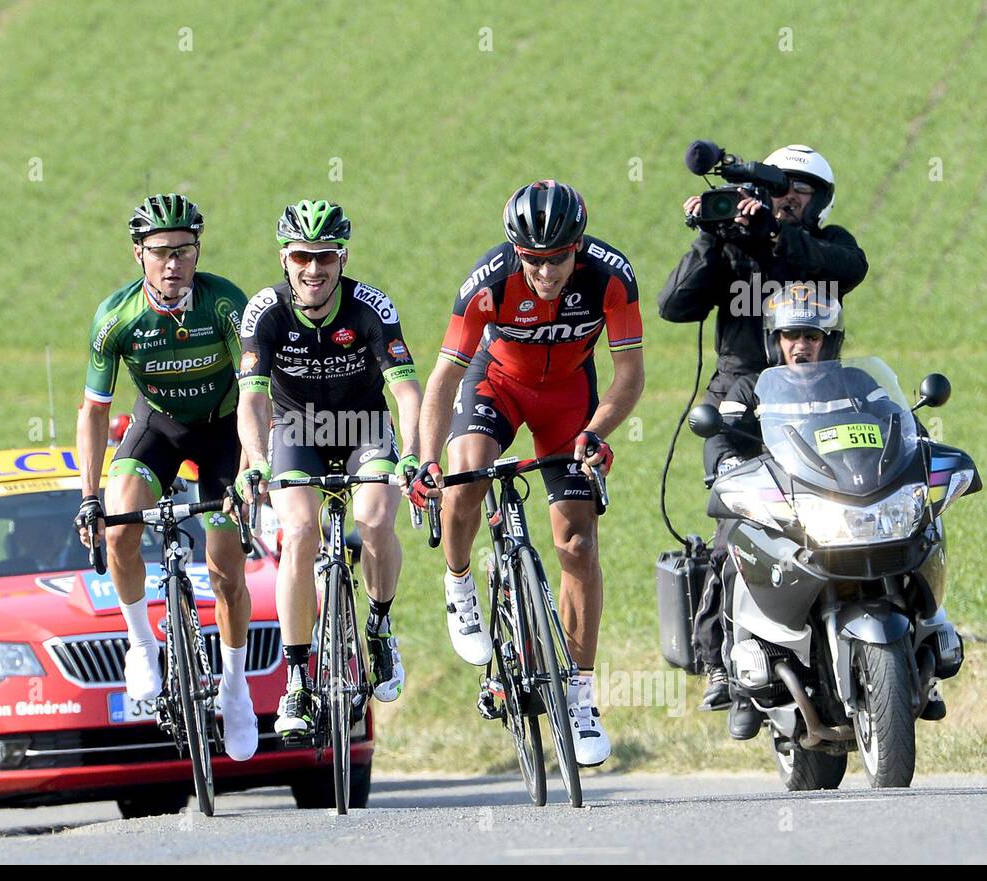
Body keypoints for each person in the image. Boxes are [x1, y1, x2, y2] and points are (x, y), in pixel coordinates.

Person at [410, 180, 645, 767]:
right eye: (533, 261)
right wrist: (425, 459)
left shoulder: (611, 278)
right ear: (517, 252)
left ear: (578, 246)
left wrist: (599, 431)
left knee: (578, 543)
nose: (544, 273)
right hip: (498, 385)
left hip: (569, 398)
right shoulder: (488, 283)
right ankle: (459, 582)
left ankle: (581, 696)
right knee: (466, 477)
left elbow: (630, 374)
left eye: (557, 259)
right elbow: (441, 380)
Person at [659, 145, 869, 707]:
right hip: (740, 404)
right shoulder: (733, 245)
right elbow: (674, 306)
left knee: (860, 508)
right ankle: (724, 659)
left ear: (820, 200)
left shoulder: (829, 246)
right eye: (781, 189)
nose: (789, 198)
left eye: (802, 190)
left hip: (820, 399)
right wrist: (713, 233)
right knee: (740, 525)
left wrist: (777, 234)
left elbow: (848, 270)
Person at [73, 194, 259, 761]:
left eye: (185, 251)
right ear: (139, 255)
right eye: (161, 252)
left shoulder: (227, 303)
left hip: (226, 430)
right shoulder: (117, 318)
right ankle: (140, 644)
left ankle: (234, 689)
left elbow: (257, 389)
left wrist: (251, 468)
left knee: (226, 570)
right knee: (119, 529)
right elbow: (94, 412)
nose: (174, 263)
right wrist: (87, 497)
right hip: (161, 428)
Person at [236, 200, 423, 738]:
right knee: (297, 532)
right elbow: (251, 400)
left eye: (325, 258)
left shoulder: (371, 307)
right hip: (296, 429)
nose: (313, 269)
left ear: (342, 258)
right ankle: (297, 681)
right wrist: (256, 462)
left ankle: (380, 629)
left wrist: (410, 453)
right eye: (301, 257)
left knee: (374, 517)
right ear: (284, 258)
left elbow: (405, 390)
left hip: (363, 424)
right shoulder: (264, 311)